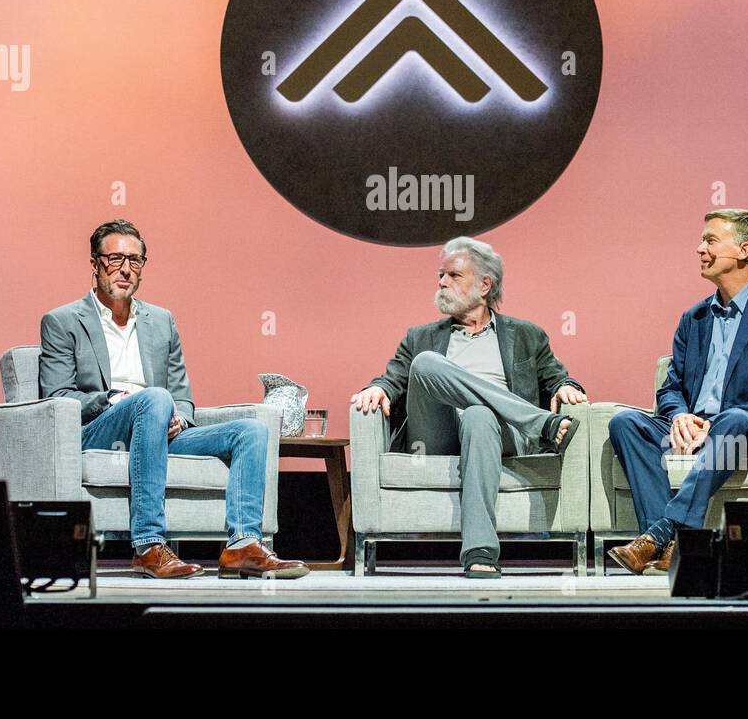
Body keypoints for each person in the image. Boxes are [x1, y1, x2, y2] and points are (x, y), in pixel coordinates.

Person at [39, 219, 308, 580]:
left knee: (251, 432)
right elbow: (57, 398)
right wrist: (114, 400)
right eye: (114, 259)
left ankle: (242, 545)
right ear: (94, 263)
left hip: (159, 425)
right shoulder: (63, 321)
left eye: (135, 261)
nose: (125, 269)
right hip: (100, 429)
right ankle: (148, 545)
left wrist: (179, 416)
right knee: (153, 398)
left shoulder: (161, 321)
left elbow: (181, 395)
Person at [350, 237, 587, 577]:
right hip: (437, 433)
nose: (442, 282)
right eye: (440, 276)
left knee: (479, 415)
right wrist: (377, 388)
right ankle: (538, 421)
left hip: (500, 434)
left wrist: (566, 386)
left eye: (453, 276)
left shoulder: (526, 335)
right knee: (427, 363)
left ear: (485, 284)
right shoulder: (421, 337)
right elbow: (394, 378)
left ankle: (480, 553)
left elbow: (556, 377)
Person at [608, 209, 748, 575]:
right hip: (696, 427)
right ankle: (671, 548)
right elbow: (671, 388)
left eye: (711, 240)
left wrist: (712, 426)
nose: (700, 248)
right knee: (625, 423)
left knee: (732, 420)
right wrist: (681, 415)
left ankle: (663, 532)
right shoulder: (692, 318)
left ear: (744, 250)